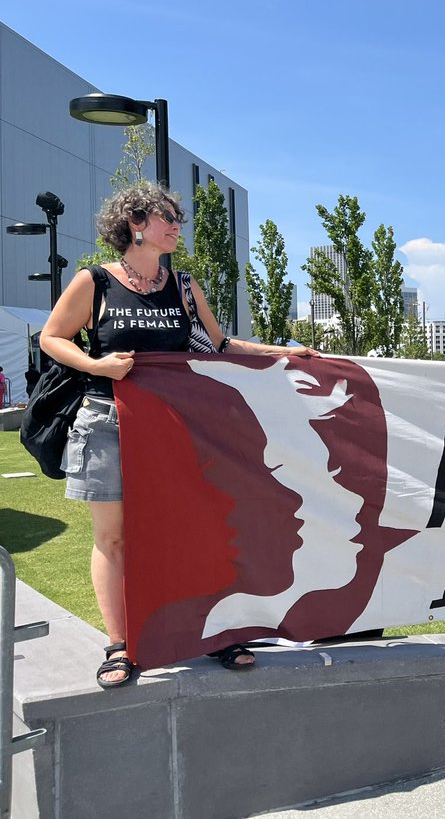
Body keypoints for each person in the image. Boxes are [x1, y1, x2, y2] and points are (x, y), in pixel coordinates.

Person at [38, 181, 319, 688]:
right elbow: (52, 337)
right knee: (113, 538)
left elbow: (220, 344)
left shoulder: (184, 286)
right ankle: (120, 646)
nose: (176, 226)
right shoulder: (94, 281)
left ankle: (211, 634)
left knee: (196, 529)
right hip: (107, 422)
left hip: (176, 428)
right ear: (135, 224)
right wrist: (96, 364)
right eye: (167, 217)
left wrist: (283, 352)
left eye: (177, 219)